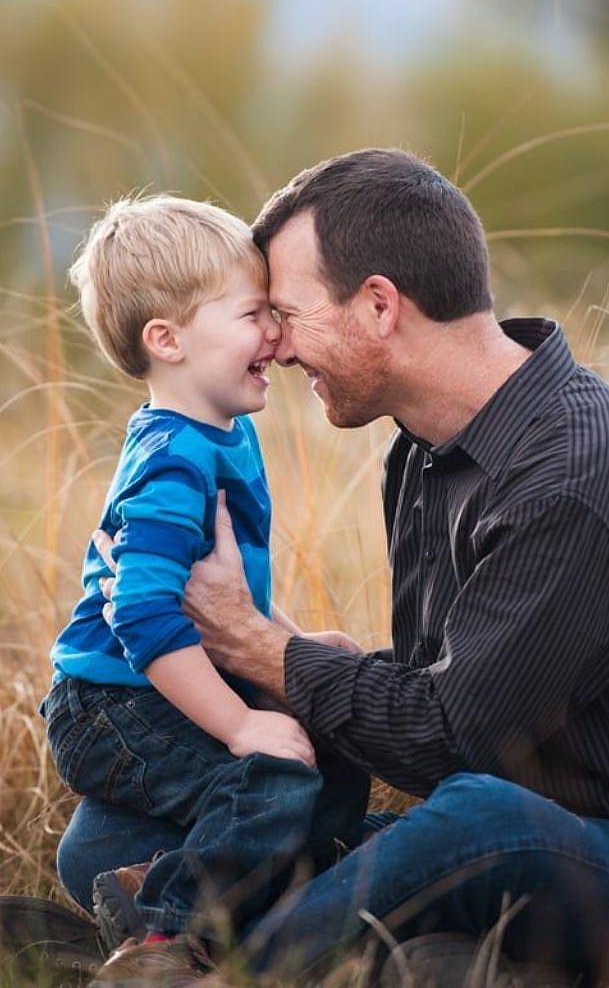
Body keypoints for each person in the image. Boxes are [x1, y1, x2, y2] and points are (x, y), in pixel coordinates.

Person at [57, 152, 609, 985]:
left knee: (475, 822)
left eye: (287, 313)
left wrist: (262, 649)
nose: (280, 347)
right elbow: (441, 690)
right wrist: (308, 661)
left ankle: (221, 973)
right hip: (503, 818)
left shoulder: (574, 472)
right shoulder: (423, 455)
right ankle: (418, 957)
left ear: (377, 305)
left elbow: (451, 741)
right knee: (107, 847)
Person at [40, 195, 369, 985]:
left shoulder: (225, 431)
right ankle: (165, 939)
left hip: (163, 680)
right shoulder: (170, 460)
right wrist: (239, 726)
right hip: (113, 705)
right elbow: (146, 615)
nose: (275, 334)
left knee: (336, 748)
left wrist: (289, 647)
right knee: (271, 773)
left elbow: (220, 593)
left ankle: (255, 891)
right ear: (168, 339)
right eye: (252, 314)